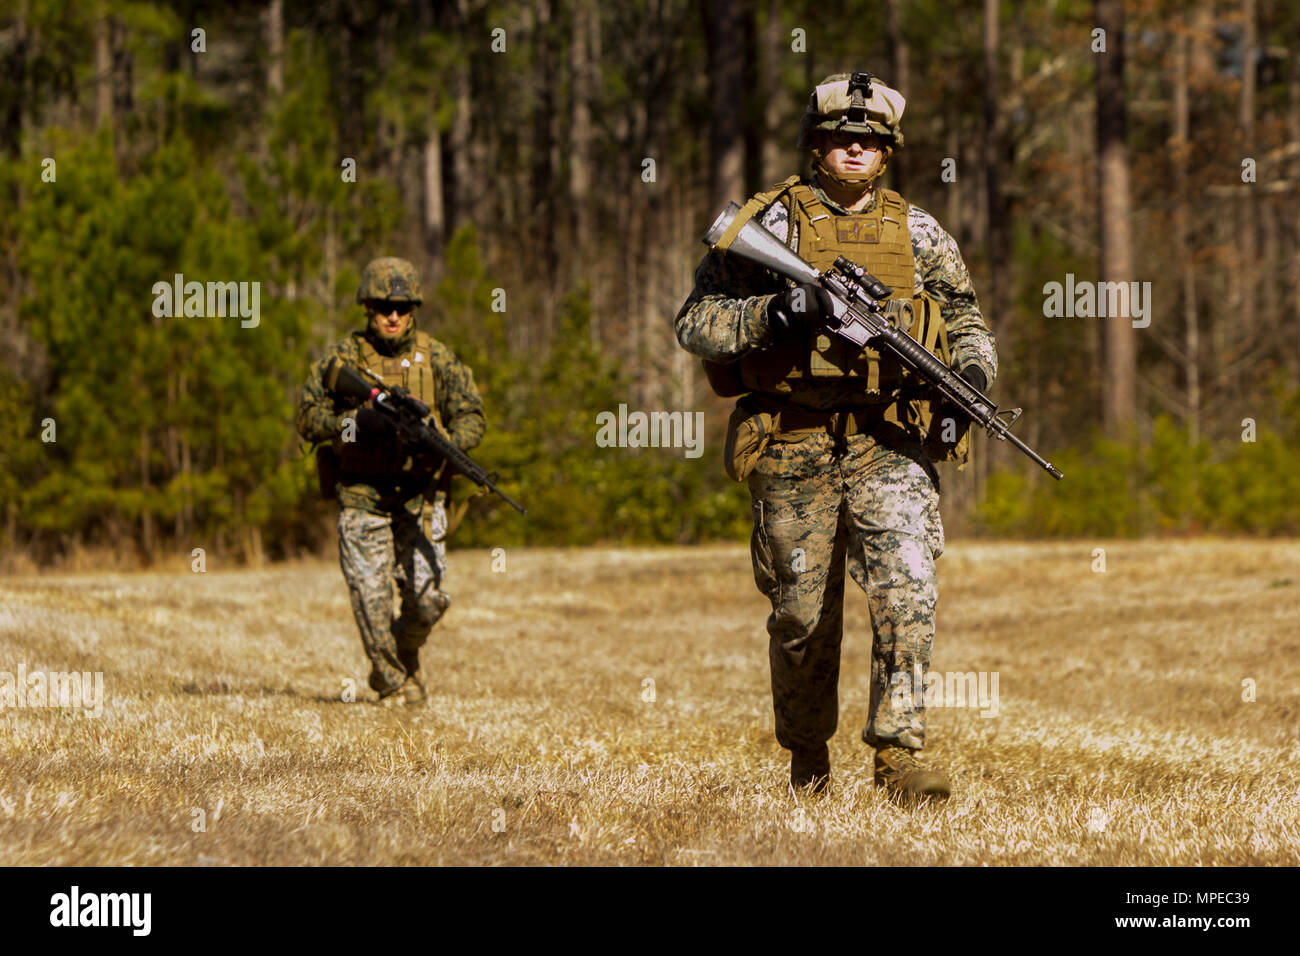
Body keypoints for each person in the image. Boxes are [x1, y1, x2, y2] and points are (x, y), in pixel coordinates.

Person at [674, 72, 998, 800]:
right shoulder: (770, 225)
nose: (855, 148)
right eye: (841, 137)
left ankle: (898, 755)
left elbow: (967, 316)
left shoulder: (919, 233)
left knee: (909, 586)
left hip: (889, 438)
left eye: (870, 140)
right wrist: (773, 316)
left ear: (888, 153)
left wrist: (974, 370)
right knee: (800, 614)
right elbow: (694, 323)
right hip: (791, 438)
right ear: (816, 144)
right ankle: (807, 753)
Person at [296, 256, 486, 706]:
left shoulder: (437, 359)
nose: (393, 316)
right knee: (371, 603)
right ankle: (394, 682)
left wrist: (439, 441)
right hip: (363, 497)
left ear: (414, 307)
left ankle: (405, 654)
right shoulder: (342, 359)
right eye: (383, 306)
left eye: (402, 306)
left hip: (420, 498)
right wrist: (356, 423)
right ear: (367, 306)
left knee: (429, 600)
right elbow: (307, 418)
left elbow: (473, 418)